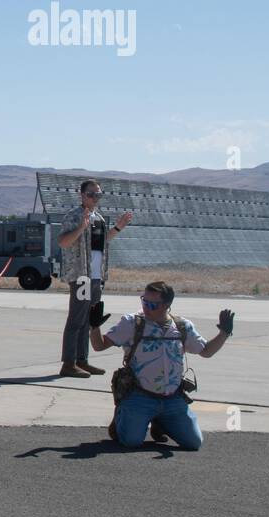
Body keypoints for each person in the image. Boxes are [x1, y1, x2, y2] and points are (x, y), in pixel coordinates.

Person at [89, 282, 233, 450]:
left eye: (152, 304)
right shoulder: (132, 323)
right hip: (139, 396)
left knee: (194, 443)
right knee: (131, 441)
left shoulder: (181, 327)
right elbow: (99, 346)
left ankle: (160, 421)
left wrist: (224, 333)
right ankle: (123, 414)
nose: (146, 307)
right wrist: (94, 327)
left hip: (172, 398)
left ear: (166, 305)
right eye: (144, 301)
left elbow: (206, 351)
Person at [57, 179, 133, 377]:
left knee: (90, 320)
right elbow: (64, 242)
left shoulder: (98, 218)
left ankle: (82, 360)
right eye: (92, 194)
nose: (95, 198)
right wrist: (81, 227)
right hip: (81, 276)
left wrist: (117, 228)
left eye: (98, 195)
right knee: (76, 319)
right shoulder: (74, 217)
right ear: (82, 195)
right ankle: (68, 363)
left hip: (96, 277)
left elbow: (101, 242)